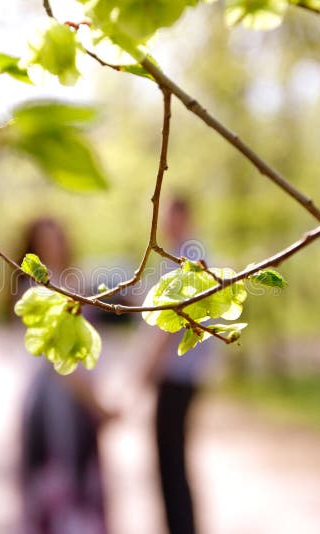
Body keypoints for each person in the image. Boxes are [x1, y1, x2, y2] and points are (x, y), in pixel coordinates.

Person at [16, 218, 115, 534]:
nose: (52, 248)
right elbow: (58, 363)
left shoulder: (77, 281)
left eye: (56, 239)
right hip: (53, 403)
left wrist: (96, 395)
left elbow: (88, 346)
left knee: (83, 481)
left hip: (81, 398)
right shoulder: (33, 290)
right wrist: (95, 403)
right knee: (58, 482)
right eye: (44, 242)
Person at [142, 198, 211, 534]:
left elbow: (169, 325)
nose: (165, 223)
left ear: (184, 217)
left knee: (170, 458)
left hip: (177, 376)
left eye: (170, 216)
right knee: (173, 456)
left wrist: (148, 370)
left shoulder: (187, 257)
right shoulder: (186, 253)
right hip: (183, 377)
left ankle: (180, 526)